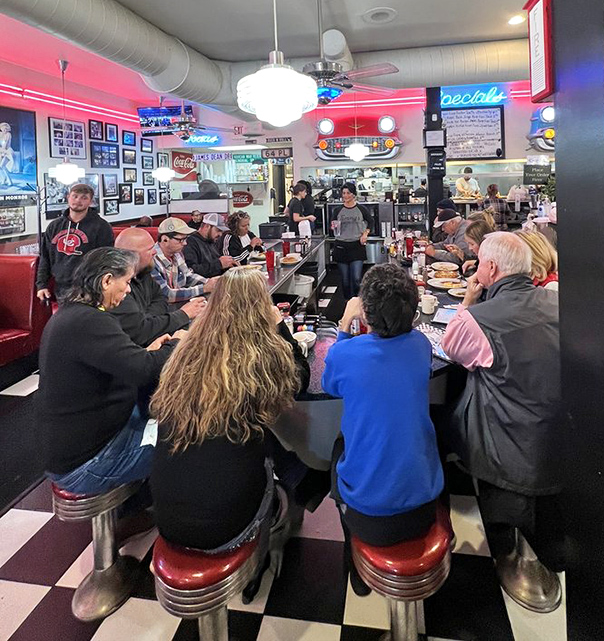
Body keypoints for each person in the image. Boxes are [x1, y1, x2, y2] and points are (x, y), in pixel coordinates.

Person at [150, 269, 317, 597]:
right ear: (260, 304)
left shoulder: (186, 351)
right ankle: (259, 559)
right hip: (226, 527)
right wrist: (279, 326)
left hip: (167, 518)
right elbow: (300, 379)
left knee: (252, 442)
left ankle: (297, 498)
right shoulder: (262, 355)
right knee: (282, 452)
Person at [436, 232, 563, 572]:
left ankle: (497, 532)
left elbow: (451, 347)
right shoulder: (560, 302)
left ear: (490, 268)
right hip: (561, 434)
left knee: (443, 413)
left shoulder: (477, 320)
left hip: (505, 438)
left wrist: (468, 300)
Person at [322, 264, 445, 595]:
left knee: (336, 451)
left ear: (367, 310)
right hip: (425, 504)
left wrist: (345, 324)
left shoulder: (347, 352)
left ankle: (356, 563)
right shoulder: (420, 345)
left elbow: (329, 383)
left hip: (369, 514)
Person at [38, 247, 177, 494]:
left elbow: (126, 362)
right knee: (194, 439)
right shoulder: (90, 322)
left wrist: (149, 353)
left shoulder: (75, 315)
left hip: (85, 443)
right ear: (106, 280)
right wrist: (179, 343)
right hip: (87, 463)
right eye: (125, 282)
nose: (128, 289)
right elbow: (144, 371)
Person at [112, 228, 207, 346]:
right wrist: (183, 314)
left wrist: (148, 320)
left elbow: (162, 298)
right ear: (132, 255)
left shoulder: (144, 272)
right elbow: (140, 333)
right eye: (150, 249)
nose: (155, 252)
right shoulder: (116, 286)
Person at [36, 182, 114, 303]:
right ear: (68, 197)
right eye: (75, 196)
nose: (78, 200)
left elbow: (106, 261)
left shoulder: (102, 227)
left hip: (89, 289)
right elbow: (45, 257)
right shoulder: (54, 226)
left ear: (91, 201)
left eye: (84, 198)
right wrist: (41, 285)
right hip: (61, 288)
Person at [152, 217, 220, 303]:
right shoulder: (152, 260)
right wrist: (204, 288)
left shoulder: (177, 254)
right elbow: (166, 295)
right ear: (165, 239)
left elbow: (187, 276)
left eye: (186, 239)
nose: (185, 243)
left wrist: (210, 283)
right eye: (181, 239)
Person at [332, 183, 371, 299]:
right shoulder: (337, 210)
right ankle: (347, 303)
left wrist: (365, 233)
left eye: (348, 193)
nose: (346, 195)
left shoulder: (361, 209)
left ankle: (357, 302)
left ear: (353, 194)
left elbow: (371, 221)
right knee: (345, 280)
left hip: (356, 246)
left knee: (356, 278)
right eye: (344, 193)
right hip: (341, 246)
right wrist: (333, 227)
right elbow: (333, 224)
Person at [184, 213, 235, 277]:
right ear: (207, 226)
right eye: (218, 230)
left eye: (222, 231)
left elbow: (215, 265)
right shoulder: (190, 242)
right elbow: (190, 271)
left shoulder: (211, 241)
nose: (220, 234)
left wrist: (228, 265)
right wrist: (219, 264)